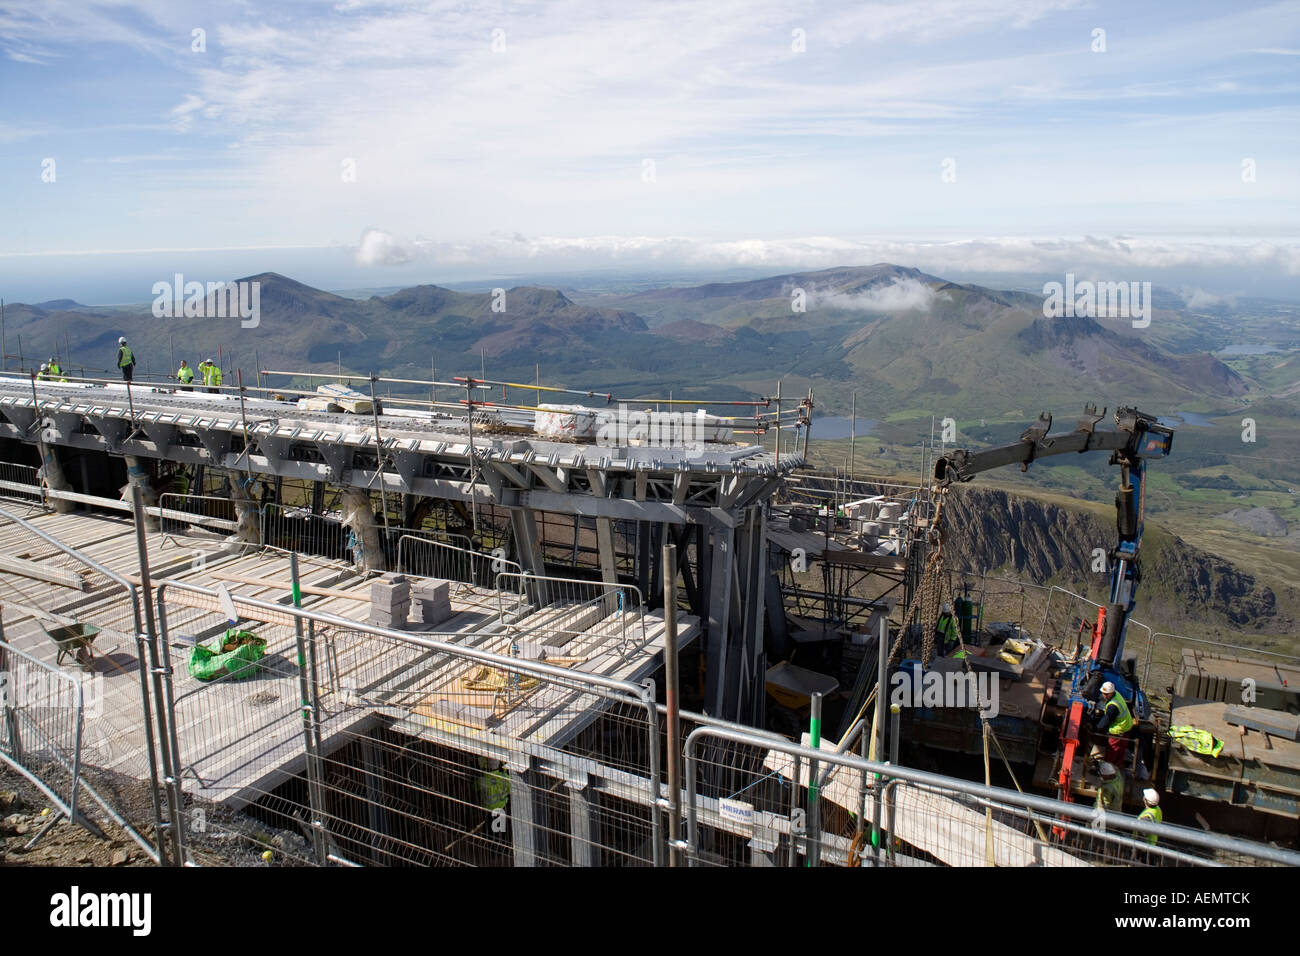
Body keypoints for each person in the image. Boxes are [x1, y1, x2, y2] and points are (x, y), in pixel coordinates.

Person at [1093, 680, 1135, 767]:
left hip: (1118, 730)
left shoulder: (1113, 705)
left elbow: (1107, 719)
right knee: (1121, 751)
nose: (1104, 695)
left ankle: (1107, 770)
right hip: (1127, 726)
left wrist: (1097, 728)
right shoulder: (1116, 694)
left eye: (1106, 694)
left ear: (1111, 692)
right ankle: (1117, 767)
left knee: (1112, 751)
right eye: (1103, 693)